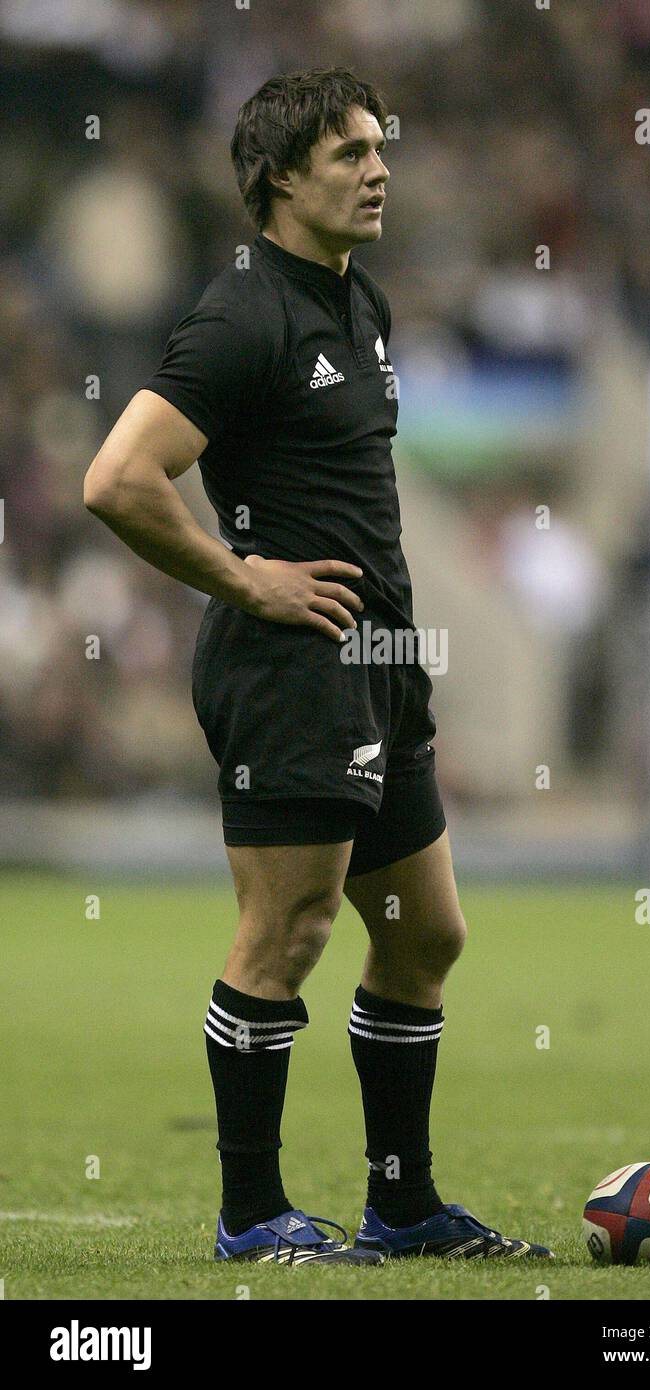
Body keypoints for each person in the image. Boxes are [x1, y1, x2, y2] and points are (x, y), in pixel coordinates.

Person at [84, 66, 553, 1266]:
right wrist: (245, 577)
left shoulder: (361, 301)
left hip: (379, 664)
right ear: (280, 179)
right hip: (290, 666)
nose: (377, 169)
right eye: (348, 155)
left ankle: (400, 1205)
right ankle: (252, 1214)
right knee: (284, 933)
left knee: (423, 935)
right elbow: (118, 478)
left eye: (377, 148)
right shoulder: (243, 313)